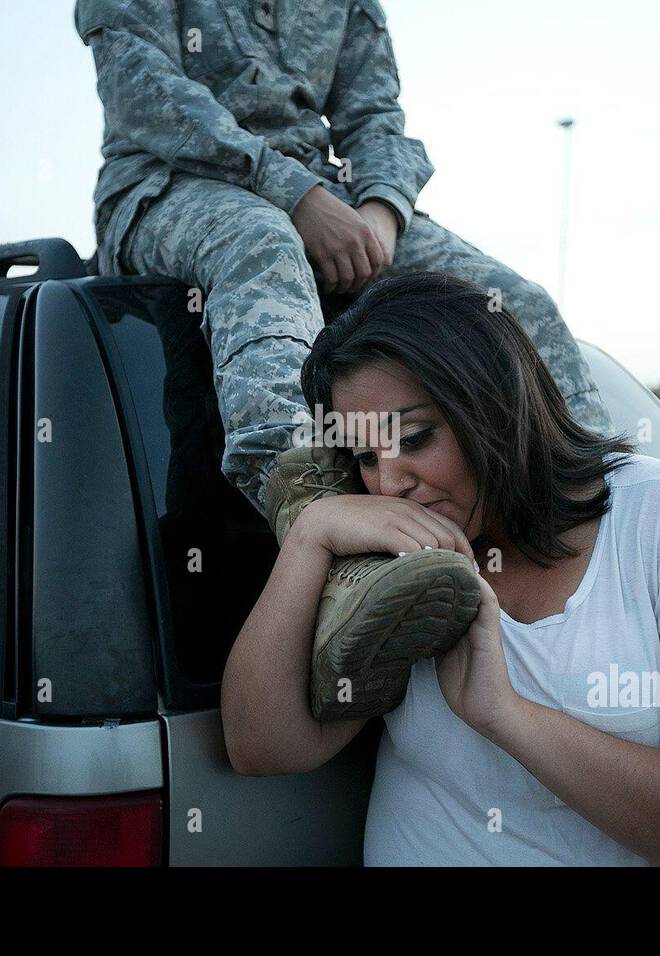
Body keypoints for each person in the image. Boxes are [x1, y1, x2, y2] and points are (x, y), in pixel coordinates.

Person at [74, 0, 615, 718]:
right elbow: (144, 94)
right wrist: (296, 195)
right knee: (261, 246)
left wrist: (381, 216)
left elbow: (374, 118)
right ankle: (342, 569)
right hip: (167, 185)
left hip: (335, 197)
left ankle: (641, 600)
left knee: (513, 300)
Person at [221, 271, 660, 865]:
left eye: (417, 437)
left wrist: (505, 716)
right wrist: (310, 536)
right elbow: (263, 747)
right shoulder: (391, 558)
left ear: (495, 402)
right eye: (366, 456)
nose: (391, 481)